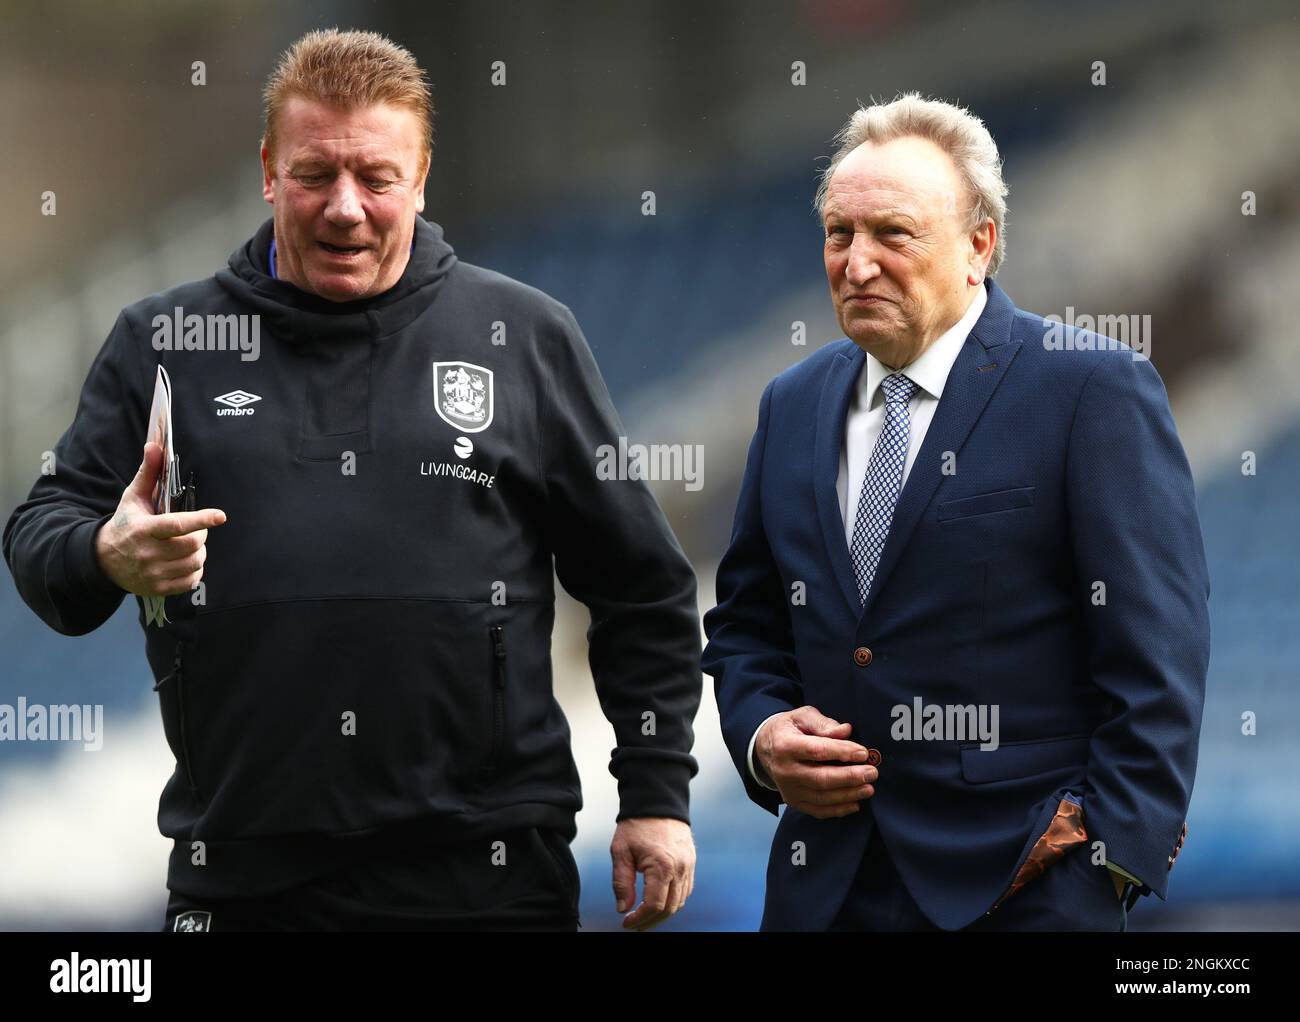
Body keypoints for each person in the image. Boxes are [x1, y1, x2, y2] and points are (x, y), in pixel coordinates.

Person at [3, 28, 701, 932]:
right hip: (244, 879)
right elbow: (37, 531)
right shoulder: (165, 342)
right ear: (267, 170)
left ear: (420, 178)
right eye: (313, 174)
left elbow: (641, 588)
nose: (344, 208)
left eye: (375, 178)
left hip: (487, 875)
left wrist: (656, 795)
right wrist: (106, 550)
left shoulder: (521, 335)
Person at [701, 93, 1208, 932]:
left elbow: (1159, 646)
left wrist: (1108, 859)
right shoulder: (789, 404)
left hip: (1025, 887)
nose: (857, 262)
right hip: (823, 891)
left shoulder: (1089, 387)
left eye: (892, 234)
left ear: (980, 245)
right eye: (839, 234)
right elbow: (747, 626)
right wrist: (761, 737)